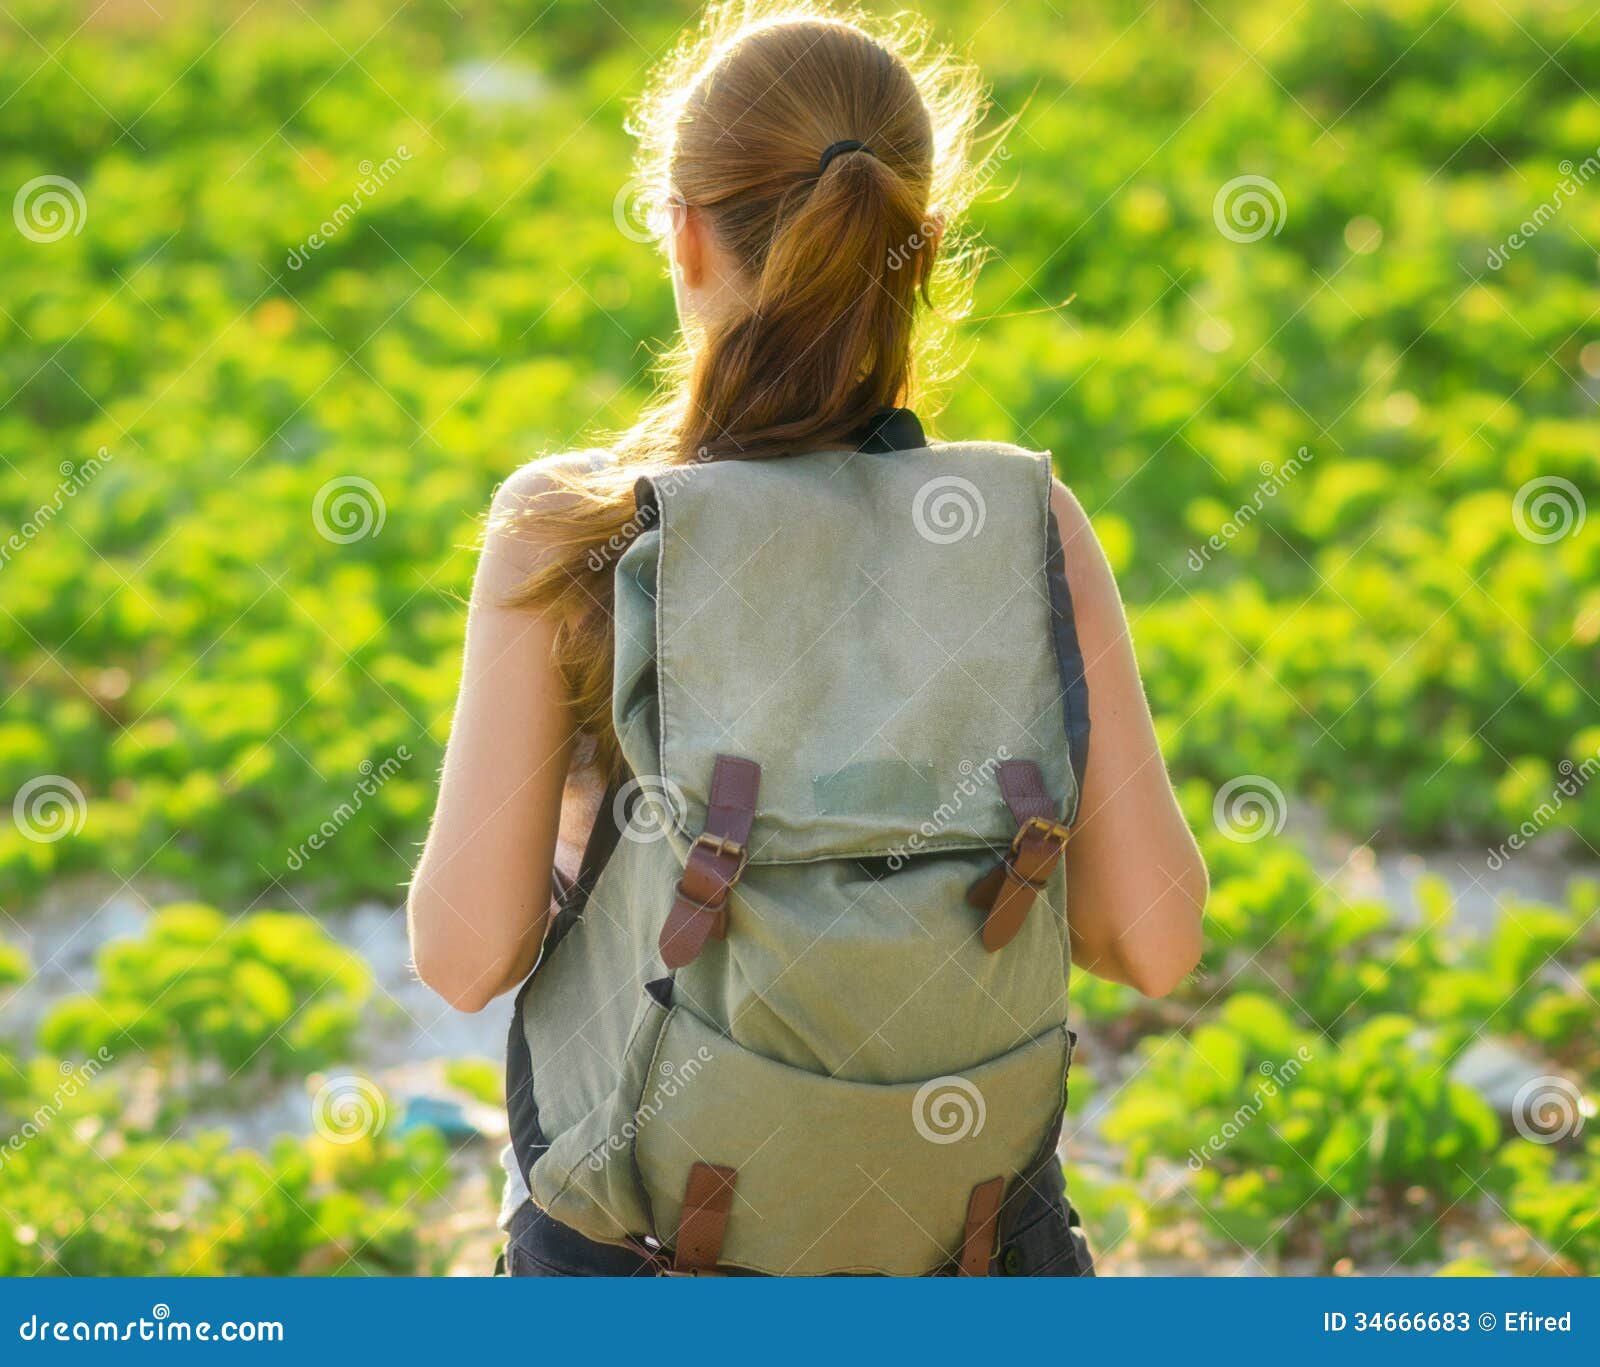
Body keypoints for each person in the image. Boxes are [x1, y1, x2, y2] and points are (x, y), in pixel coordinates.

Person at [409, 3, 1206, 1278]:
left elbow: (461, 959)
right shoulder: (1024, 523)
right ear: (924, 242)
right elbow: (1153, 942)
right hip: (968, 1249)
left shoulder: (572, 532)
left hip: (648, 1256)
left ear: (679, 232)